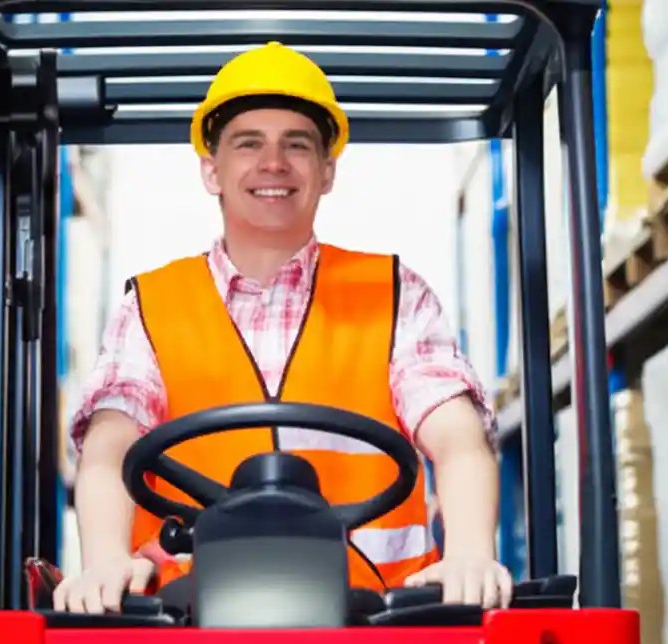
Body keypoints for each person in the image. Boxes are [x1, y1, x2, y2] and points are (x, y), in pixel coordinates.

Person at [54, 41, 512, 615]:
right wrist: (103, 564)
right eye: (249, 144)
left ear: (326, 172)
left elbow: (458, 436)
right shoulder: (150, 305)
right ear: (211, 170)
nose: (274, 163)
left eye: (297, 145)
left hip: (378, 627)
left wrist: (470, 551)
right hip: (189, 621)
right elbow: (109, 445)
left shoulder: (393, 293)